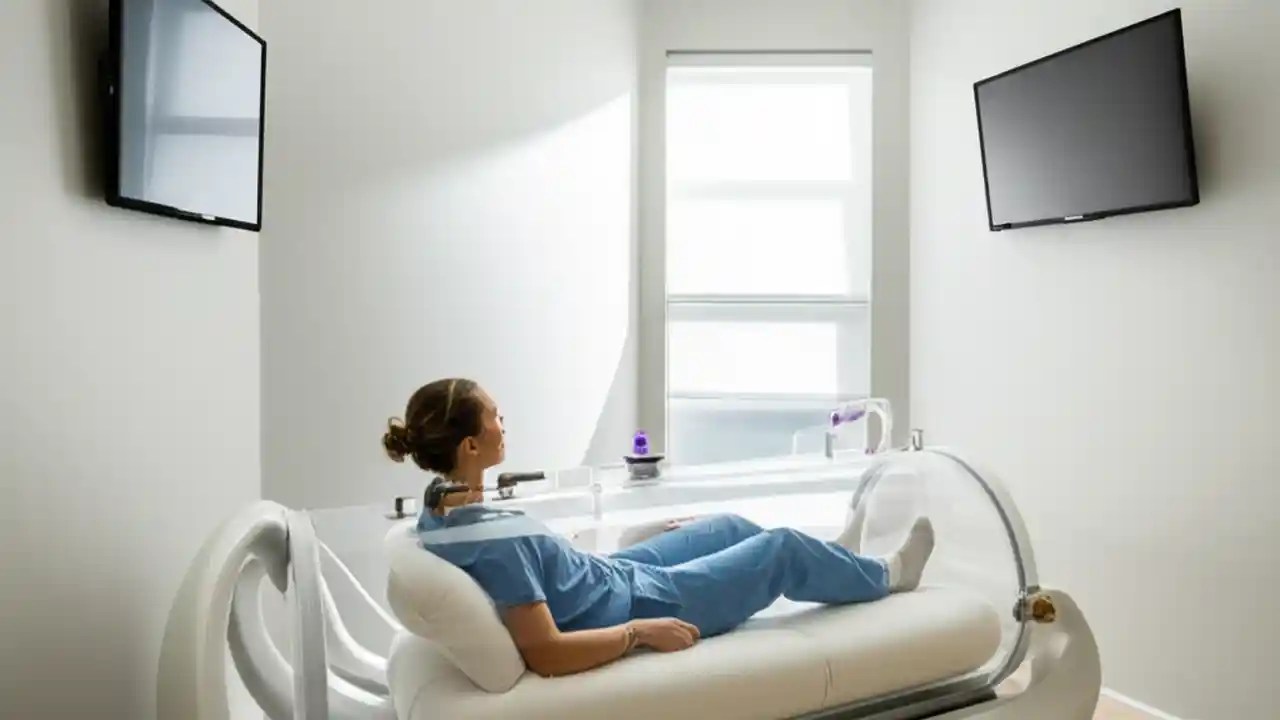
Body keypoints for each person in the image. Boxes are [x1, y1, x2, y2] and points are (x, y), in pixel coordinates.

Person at [382, 378, 936, 678]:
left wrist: (633, 541)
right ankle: (889, 575)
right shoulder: (489, 541)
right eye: (494, 416)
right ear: (470, 446)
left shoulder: (437, 508)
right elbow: (545, 651)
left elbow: (545, 570)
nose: (504, 422)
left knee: (727, 525)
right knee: (782, 550)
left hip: (612, 574)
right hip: (636, 603)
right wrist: (640, 633)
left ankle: (837, 559)